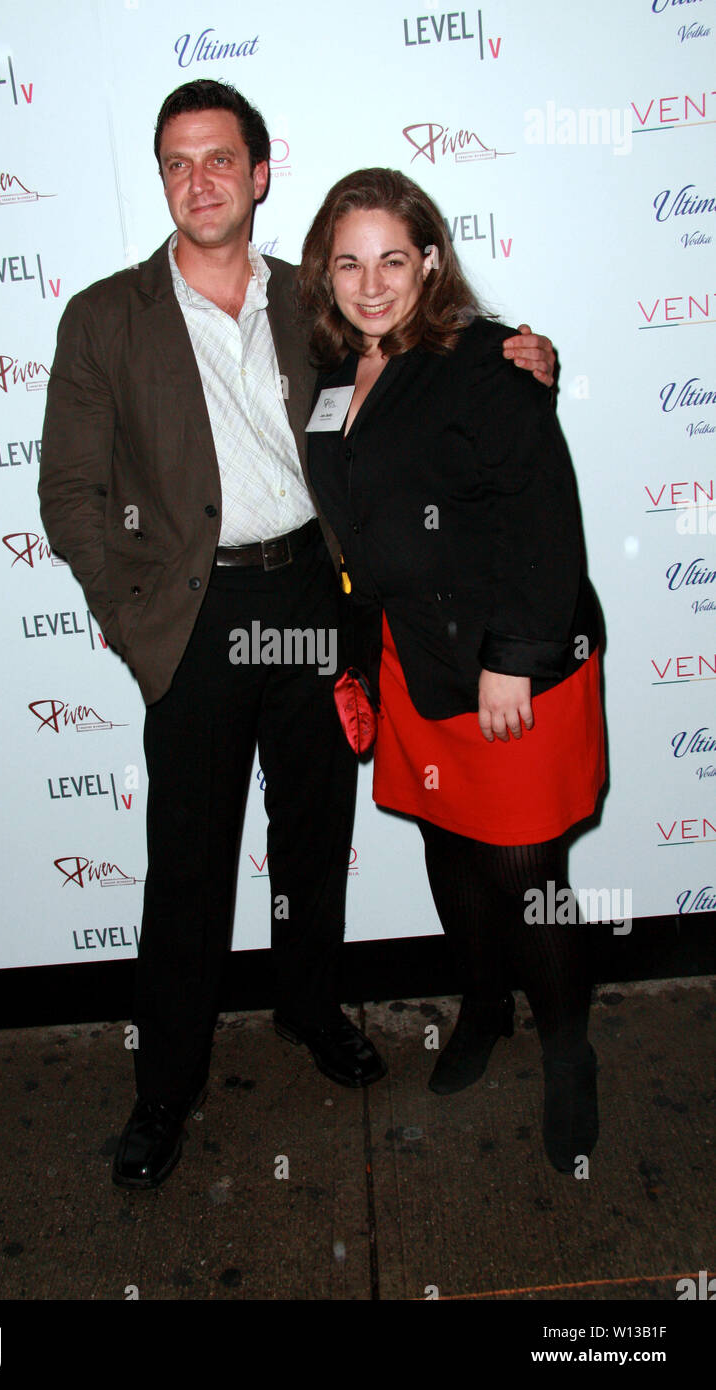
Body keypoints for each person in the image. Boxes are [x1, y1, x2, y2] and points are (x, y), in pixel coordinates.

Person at [38, 82, 557, 1191]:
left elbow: (416, 335)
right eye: (177, 161)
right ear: (163, 177)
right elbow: (72, 494)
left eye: (219, 158)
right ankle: (164, 1085)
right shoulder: (103, 317)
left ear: (258, 173)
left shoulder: (310, 302)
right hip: (192, 615)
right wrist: (136, 628)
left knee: (312, 831)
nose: (199, 180)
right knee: (187, 864)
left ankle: (310, 1011)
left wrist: (517, 346)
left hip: (317, 603)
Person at [298, 168, 606, 1174]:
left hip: (513, 664)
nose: (371, 280)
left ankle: (569, 1052)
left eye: (393, 256)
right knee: (449, 844)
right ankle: (482, 1008)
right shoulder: (334, 366)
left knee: (527, 874)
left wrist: (512, 660)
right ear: (325, 272)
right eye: (349, 261)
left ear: (429, 259)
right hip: (410, 660)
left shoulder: (485, 360)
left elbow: (542, 518)